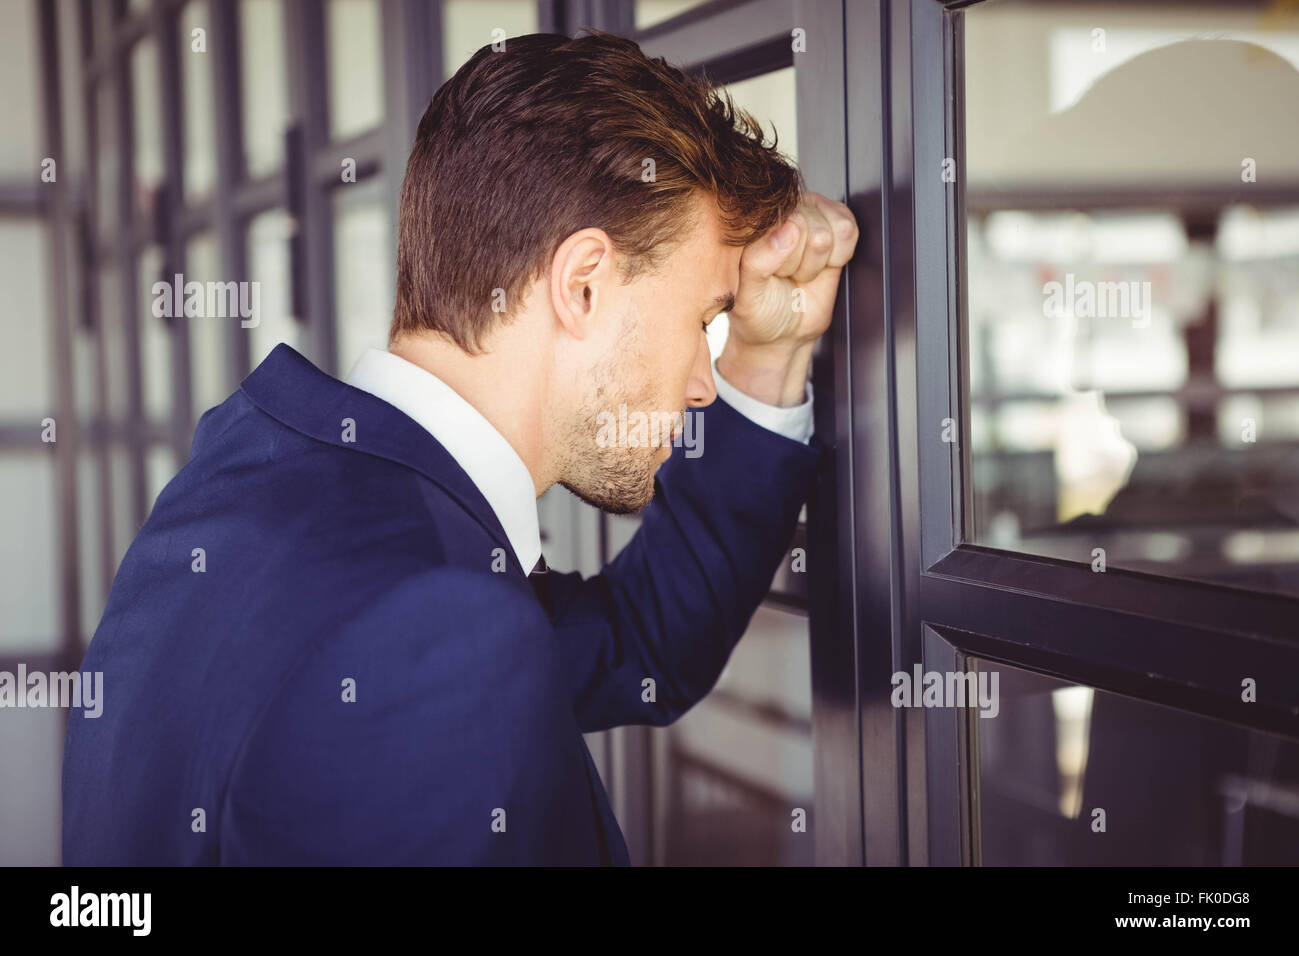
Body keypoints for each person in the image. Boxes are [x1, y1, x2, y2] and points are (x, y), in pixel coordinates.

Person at [61, 30, 858, 865]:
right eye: (703, 321)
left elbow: (639, 641)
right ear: (582, 285)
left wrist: (766, 359)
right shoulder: (434, 624)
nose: (702, 379)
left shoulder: (254, 478)